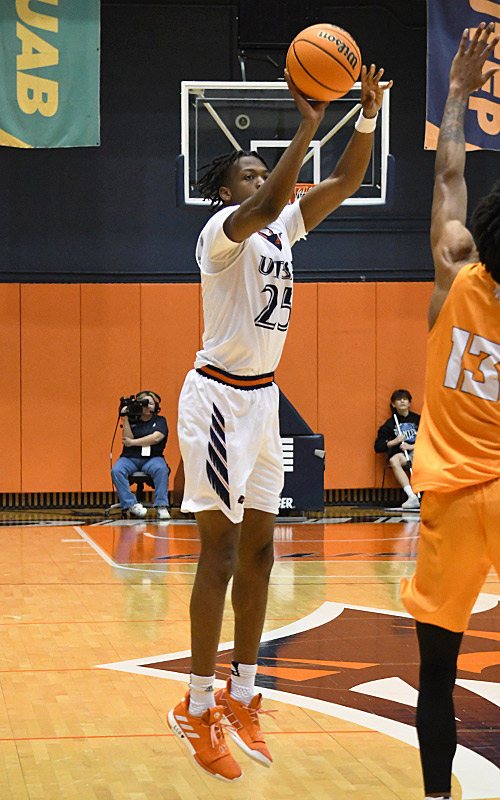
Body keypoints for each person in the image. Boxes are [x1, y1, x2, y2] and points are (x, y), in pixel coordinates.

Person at [167, 64, 392, 781]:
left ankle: (242, 695)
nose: (267, 179)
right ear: (227, 190)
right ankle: (195, 707)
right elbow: (270, 202)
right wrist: (303, 123)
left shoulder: (280, 235)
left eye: (267, 171)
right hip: (218, 400)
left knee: (265, 555)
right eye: (251, 172)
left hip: (263, 399)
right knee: (222, 555)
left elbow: (345, 184)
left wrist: (361, 118)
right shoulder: (222, 233)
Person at [399, 24, 500, 800]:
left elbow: (448, 178)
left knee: (438, 675)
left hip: (453, 497)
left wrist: (459, 92)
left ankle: (437, 796)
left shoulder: (457, 269)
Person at [111, 390, 170, 520]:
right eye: (144, 403)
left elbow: (156, 437)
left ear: (156, 405)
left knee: (161, 469)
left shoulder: (160, 420)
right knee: (116, 470)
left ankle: (162, 506)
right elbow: (127, 440)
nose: (148, 406)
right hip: (130, 457)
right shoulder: (133, 421)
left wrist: (134, 442)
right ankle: (131, 504)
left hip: (152, 458)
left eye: (151, 403)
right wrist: (125, 418)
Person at [374, 389, 420, 508]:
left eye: (405, 399)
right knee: (394, 460)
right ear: (393, 404)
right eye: (399, 400)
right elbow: (378, 447)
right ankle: (411, 496)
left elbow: (430, 439)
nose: (402, 402)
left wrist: (411, 446)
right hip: (404, 455)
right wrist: (394, 442)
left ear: (409, 403)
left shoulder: (419, 420)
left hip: (420, 452)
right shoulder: (390, 424)